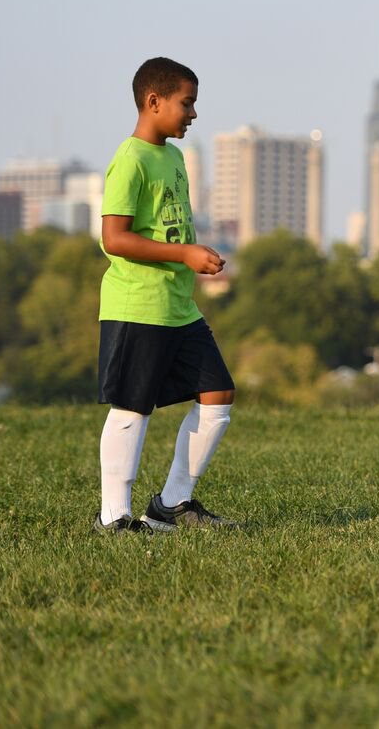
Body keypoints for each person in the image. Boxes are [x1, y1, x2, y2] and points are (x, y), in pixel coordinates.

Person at [93, 56, 238, 534]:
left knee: (217, 392)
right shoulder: (130, 159)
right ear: (153, 102)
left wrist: (194, 255)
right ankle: (113, 517)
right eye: (187, 102)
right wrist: (183, 256)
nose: (193, 113)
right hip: (138, 305)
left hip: (178, 308)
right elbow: (114, 238)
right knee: (133, 405)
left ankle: (171, 505)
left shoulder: (174, 158)